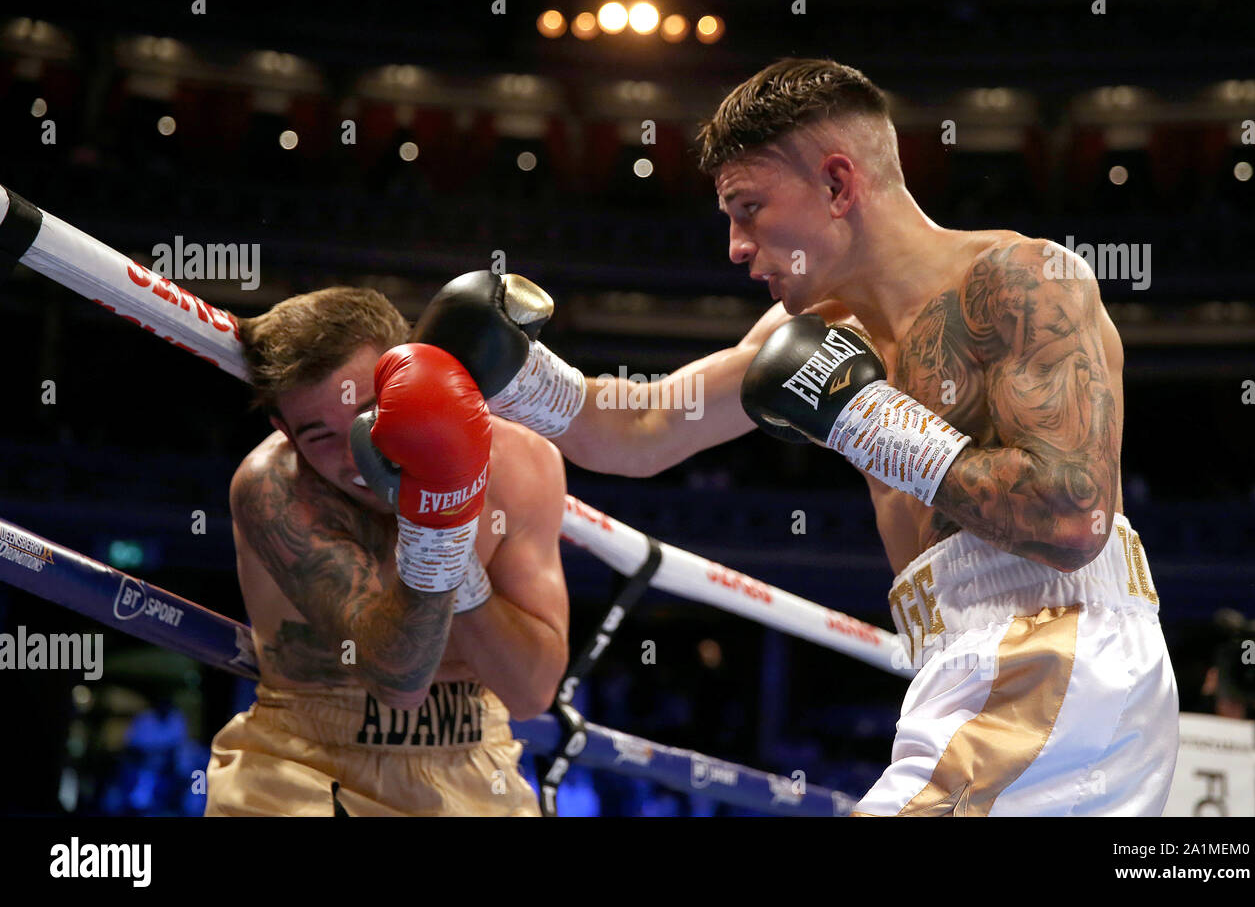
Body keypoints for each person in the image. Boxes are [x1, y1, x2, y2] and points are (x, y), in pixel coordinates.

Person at [413, 59, 1179, 816]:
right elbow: (641, 425)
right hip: (963, 658)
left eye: (749, 209)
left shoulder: (1024, 279)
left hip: (1055, 645)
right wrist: (509, 369)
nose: (736, 246)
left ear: (838, 184)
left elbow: (1073, 518)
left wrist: (866, 417)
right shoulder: (809, 331)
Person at [204, 286, 568, 816]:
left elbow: (532, 692)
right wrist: (435, 521)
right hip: (307, 765)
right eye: (320, 436)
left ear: (413, 377)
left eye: (370, 413)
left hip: (475, 758)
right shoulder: (274, 487)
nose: (357, 456)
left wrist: (447, 506)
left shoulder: (521, 464)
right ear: (285, 432)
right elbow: (398, 677)